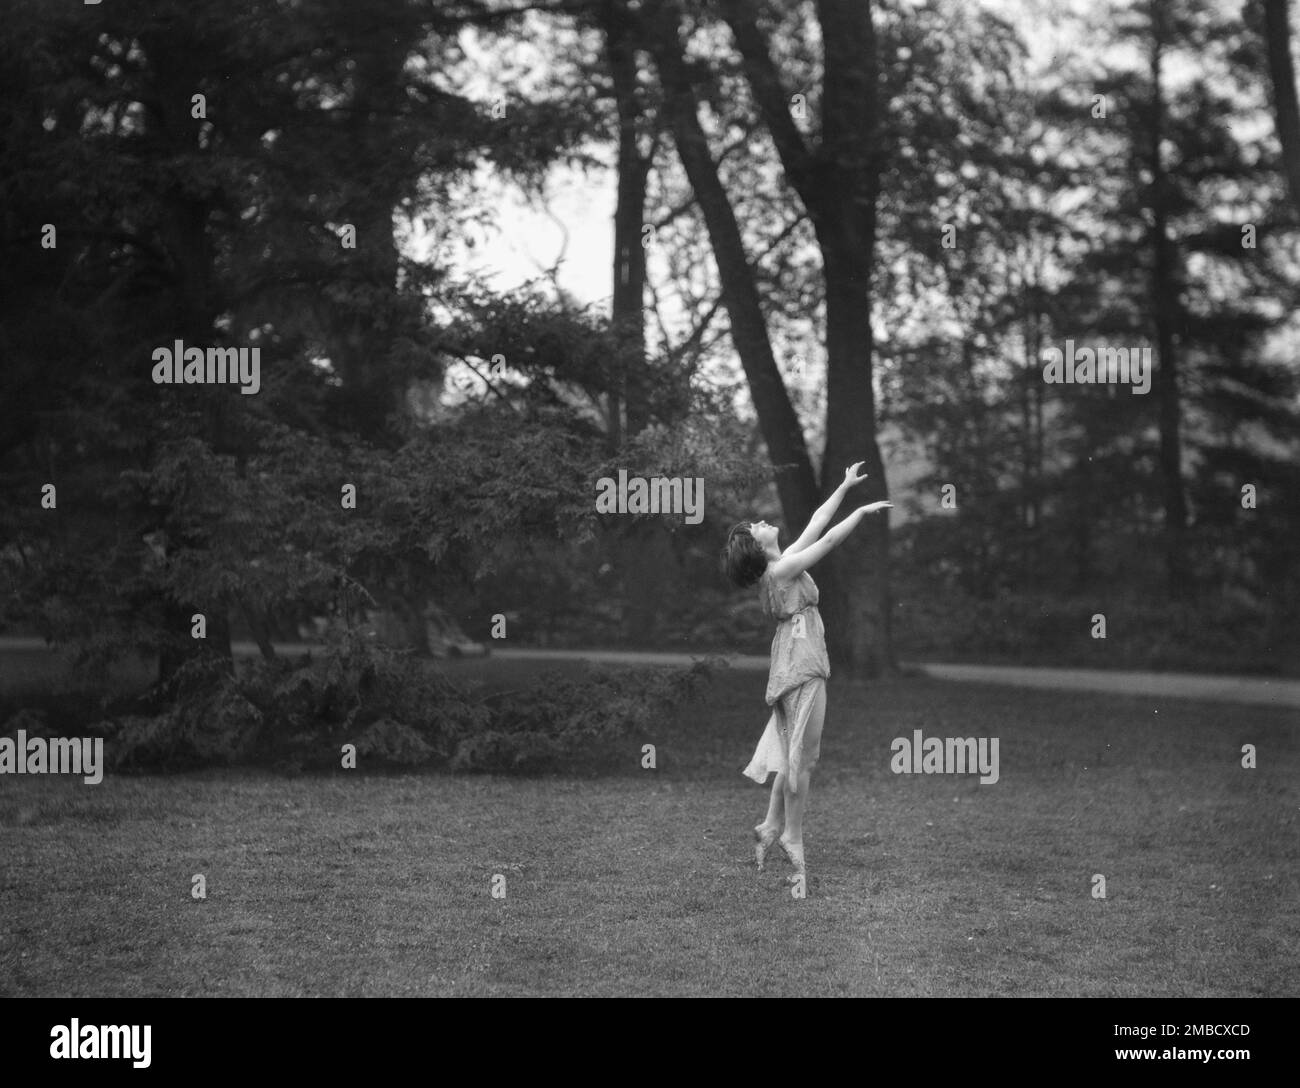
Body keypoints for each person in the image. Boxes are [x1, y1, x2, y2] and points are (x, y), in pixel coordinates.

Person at [720, 462, 891, 887]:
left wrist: (844, 486)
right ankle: (792, 836)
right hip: (802, 663)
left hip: (794, 661)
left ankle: (769, 825)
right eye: (755, 528)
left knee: (792, 749)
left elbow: (817, 523)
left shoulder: (781, 564)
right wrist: (861, 511)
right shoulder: (780, 572)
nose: (761, 522)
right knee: (804, 756)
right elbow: (830, 538)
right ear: (757, 550)